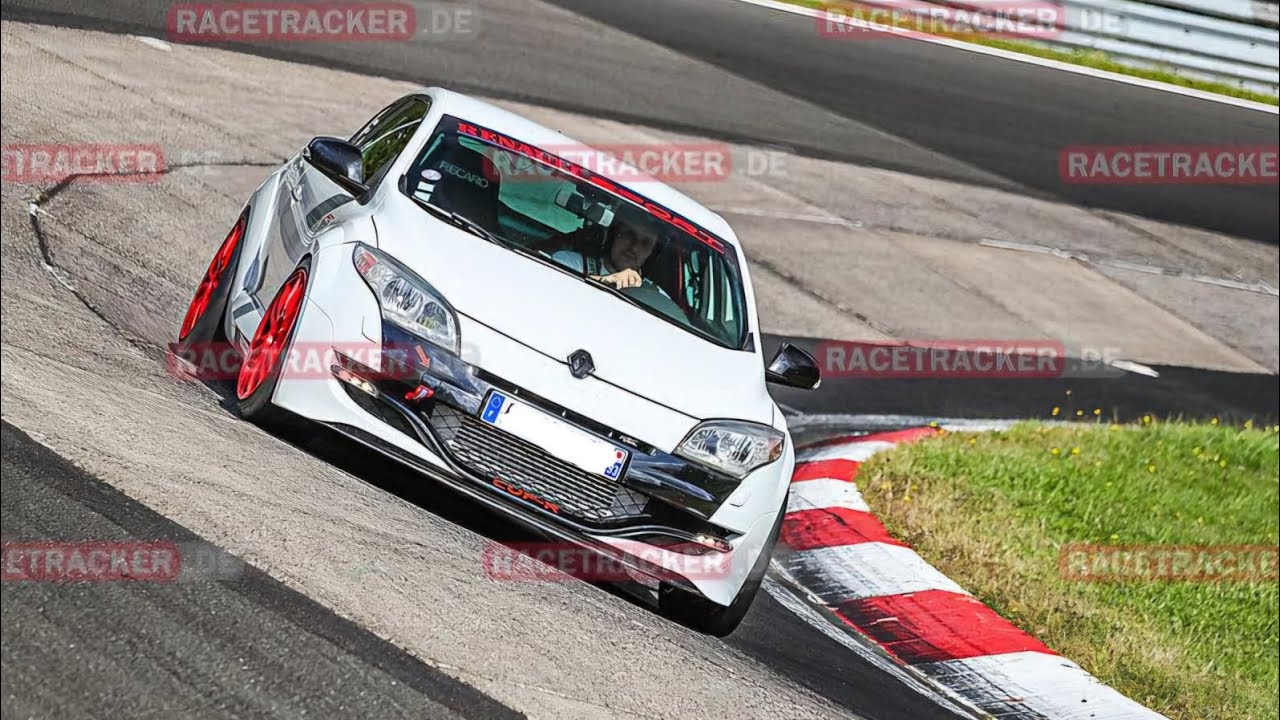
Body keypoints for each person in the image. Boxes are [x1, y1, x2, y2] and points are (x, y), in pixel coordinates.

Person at [552, 211, 660, 290]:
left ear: (651, 253)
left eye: (646, 243)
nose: (635, 247)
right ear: (613, 235)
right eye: (629, 235)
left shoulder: (657, 299)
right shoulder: (570, 262)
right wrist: (603, 282)